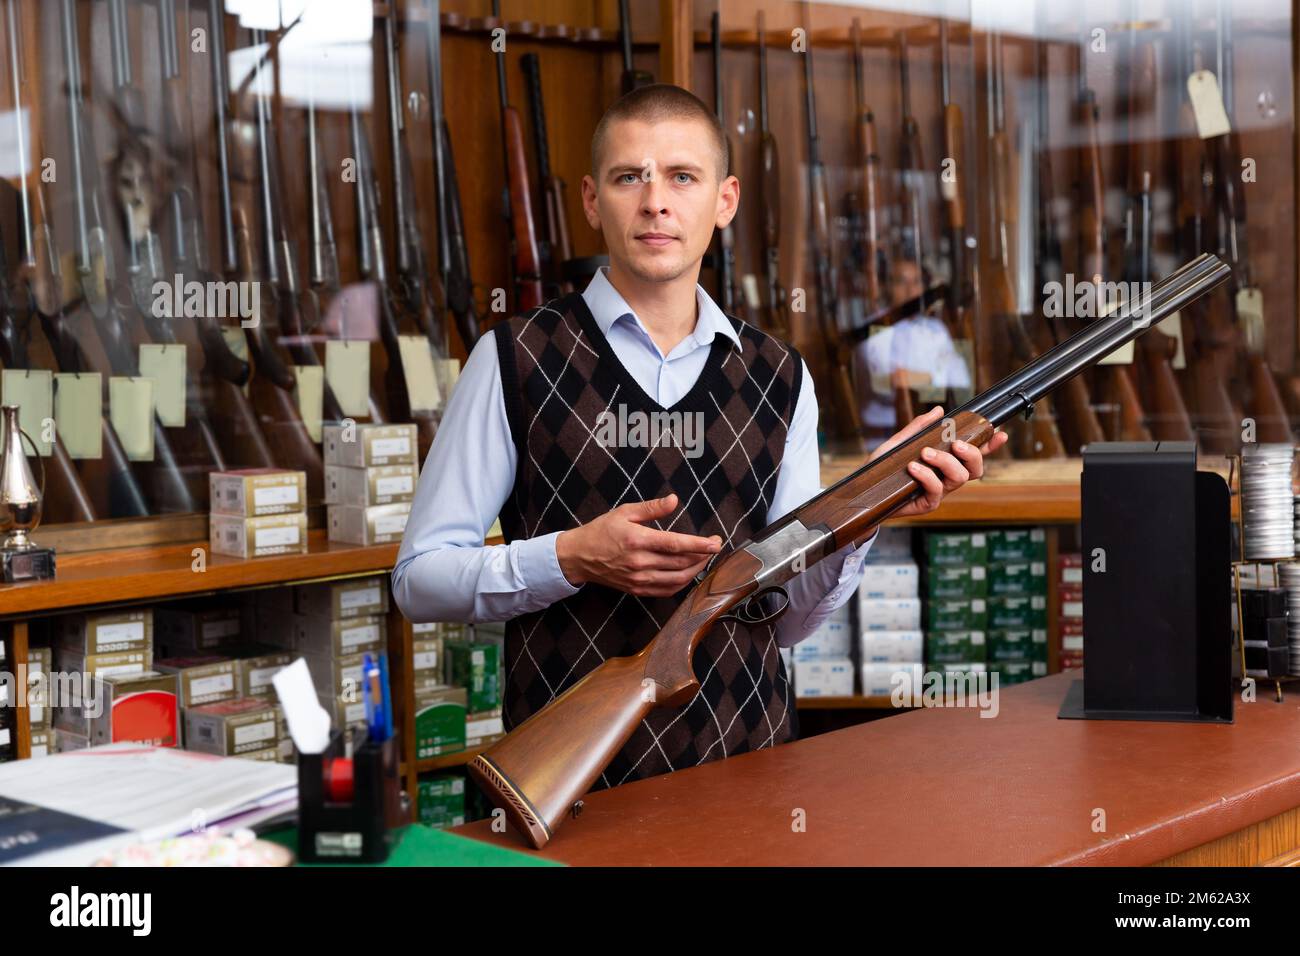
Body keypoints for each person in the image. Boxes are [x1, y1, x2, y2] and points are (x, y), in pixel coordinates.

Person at [392, 84, 1007, 789]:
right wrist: (571, 557)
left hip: (753, 772)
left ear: (725, 200)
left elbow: (785, 620)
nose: (656, 201)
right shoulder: (514, 358)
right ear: (592, 200)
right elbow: (419, 581)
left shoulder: (781, 375)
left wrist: (868, 509)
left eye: (682, 176)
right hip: (574, 792)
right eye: (631, 177)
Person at [854, 256, 973, 451]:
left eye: (916, 281)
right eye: (901, 281)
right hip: (883, 441)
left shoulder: (936, 329)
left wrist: (920, 378)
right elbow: (893, 383)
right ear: (886, 286)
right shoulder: (874, 329)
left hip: (934, 434)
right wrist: (936, 377)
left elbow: (959, 381)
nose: (911, 289)